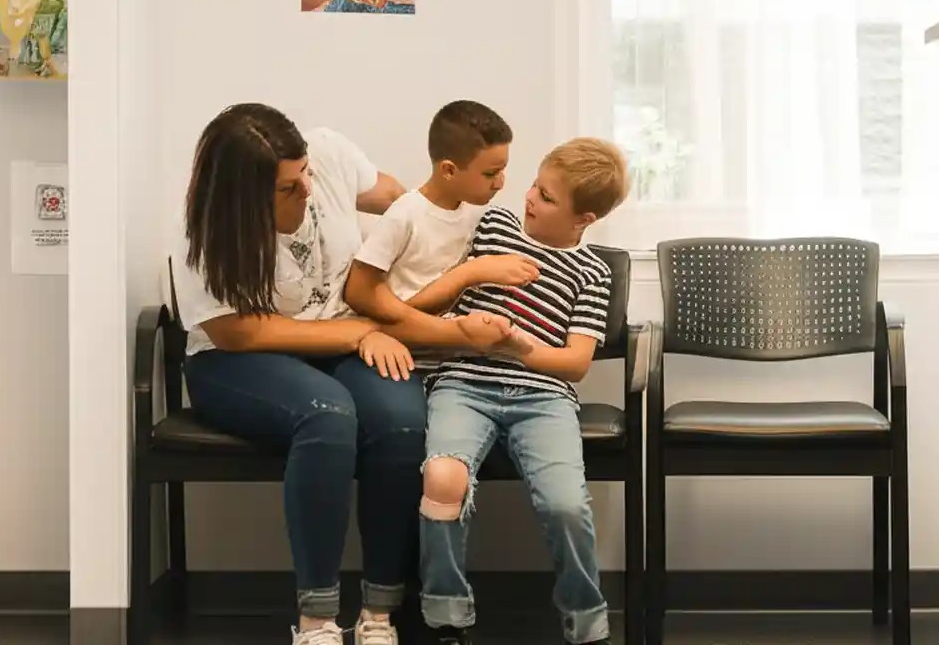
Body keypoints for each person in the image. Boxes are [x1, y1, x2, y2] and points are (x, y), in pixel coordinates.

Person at [171, 103, 513, 645]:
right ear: (244, 196)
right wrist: (359, 332)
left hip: (343, 336)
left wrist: (442, 252)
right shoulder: (205, 237)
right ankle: (317, 618)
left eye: (303, 172)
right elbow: (243, 334)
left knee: (403, 422)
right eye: (287, 188)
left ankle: (380, 610)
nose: (307, 190)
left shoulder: (328, 152)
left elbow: (400, 200)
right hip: (235, 359)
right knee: (327, 415)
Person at [413, 138, 631, 645]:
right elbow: (438, 292)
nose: (530, 197)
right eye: (535, 184)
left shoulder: (593, 274)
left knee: (564, 505)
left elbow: (575, 364)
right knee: (443, 478)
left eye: (548, 197)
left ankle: (587, 623)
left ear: (585, 218)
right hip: (464, 384)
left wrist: (515, 343)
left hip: (544, 398)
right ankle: (446, 616)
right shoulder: (493, 227)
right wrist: (469, 296)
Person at [342, 100, 540, 375]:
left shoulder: (476, 214)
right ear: (448, 170)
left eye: (503, 170)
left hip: (451, 360)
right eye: (490, 174)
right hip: (400, 350)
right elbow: (363, 295)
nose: (500, 182)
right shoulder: (406, 214)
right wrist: (470, 273)